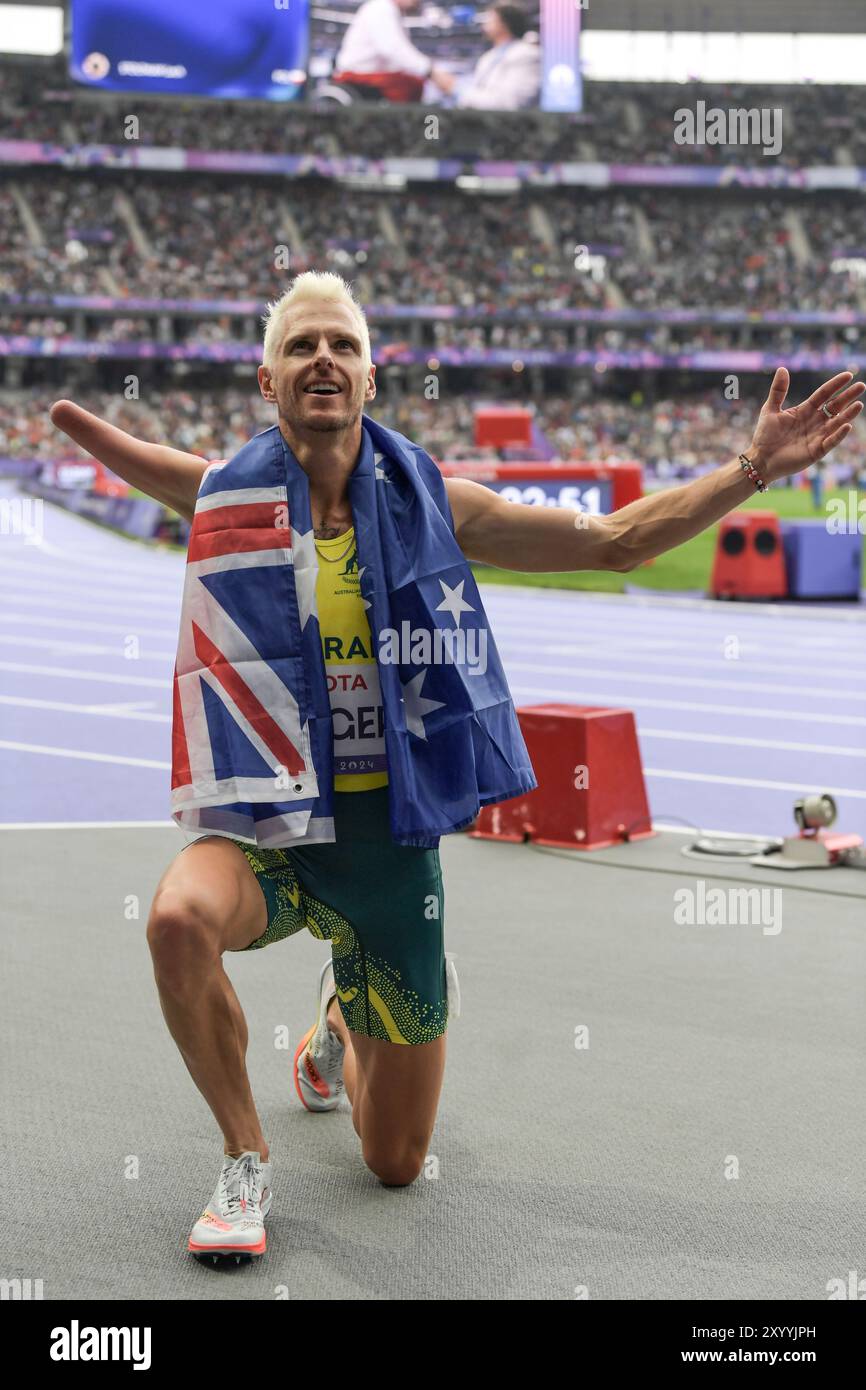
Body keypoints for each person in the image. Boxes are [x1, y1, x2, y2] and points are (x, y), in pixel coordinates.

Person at [49, 271, 863, 1261]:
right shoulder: (228, 493)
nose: (322, 360)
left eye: (341, 345)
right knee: (177, 920)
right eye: (301, 345)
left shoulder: (437, 501)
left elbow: (615, 541)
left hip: (388, 849)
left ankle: (338, 1020)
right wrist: (87, 429)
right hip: (269, 826)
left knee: (392, 1161)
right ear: (268, 381)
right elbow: (151, 464)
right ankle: (245, 1156)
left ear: (370, 376)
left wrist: (749, 466)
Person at [332, 0, 455, 103]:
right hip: (358, 77)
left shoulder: (391, 11)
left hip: (370, 76)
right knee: (409, 85)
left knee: (413, 82)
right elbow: (393, 49)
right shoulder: (381, 8)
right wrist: (430, 71)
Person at [457, 4, 540, 111]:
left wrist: (457, 90)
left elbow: (511, 104)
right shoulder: (487, 57)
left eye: (490, 19)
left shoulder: (528, 54)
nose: (484, 24)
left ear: (504, 24)